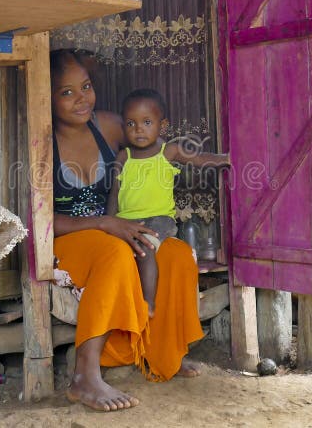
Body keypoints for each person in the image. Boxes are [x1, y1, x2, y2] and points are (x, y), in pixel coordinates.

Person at [50, 49, 203, 412]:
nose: (81, 98)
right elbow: (42, 220)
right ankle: (85, 375)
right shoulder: (43, 140)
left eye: (86, 87)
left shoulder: (108, 126)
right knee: (116, 252)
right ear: (48, 98)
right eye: (67, 92)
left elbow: (151, 141)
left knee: (176, 254)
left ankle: (162, 353)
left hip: (117, 229)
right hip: (67, 239)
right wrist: (104, 222)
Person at [107, 88, 229, 317]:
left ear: (162, 126)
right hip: (126, 221)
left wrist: (226, 159)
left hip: (158, 219)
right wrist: (110, 222)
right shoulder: (124, 157)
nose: (138, 129)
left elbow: (199, 159)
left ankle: (148, 303)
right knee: (114, 252)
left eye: (146, 122)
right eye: (131, 124)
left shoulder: (167, 151)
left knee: (145, 248)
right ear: (123, 127)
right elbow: (114, 193)